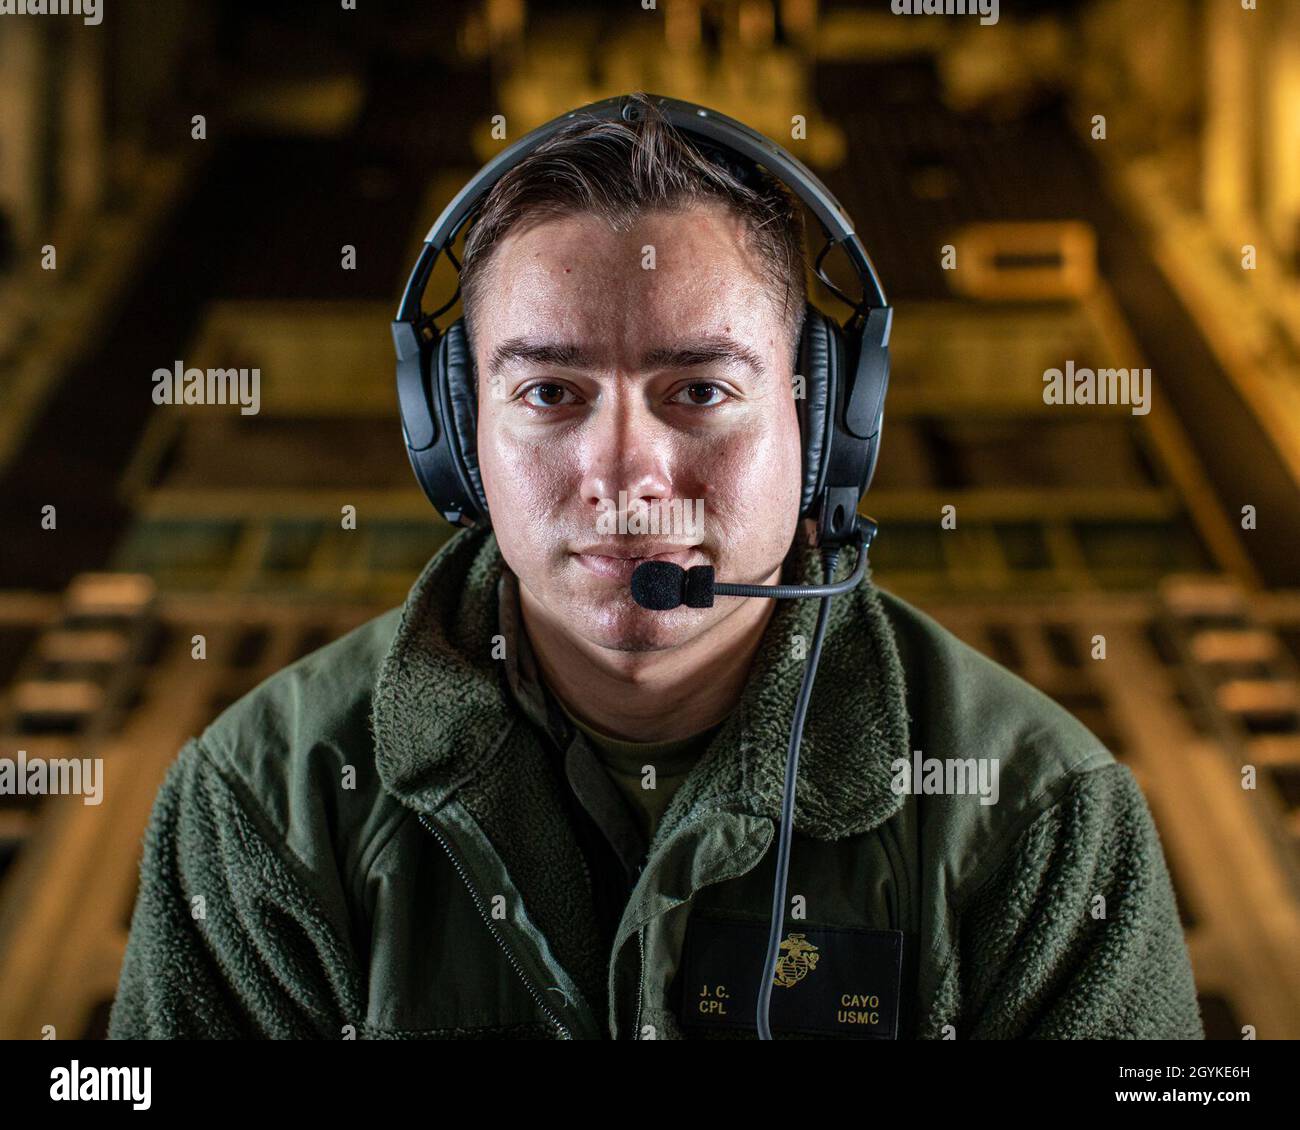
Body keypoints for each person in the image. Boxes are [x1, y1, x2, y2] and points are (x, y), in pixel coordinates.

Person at [109, 93, 1204, 1040]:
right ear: (452, 433)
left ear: (823, 422)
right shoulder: (256, 806)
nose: (626, 473)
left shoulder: (1045, 819)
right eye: (549, 393)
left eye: (699, 390)